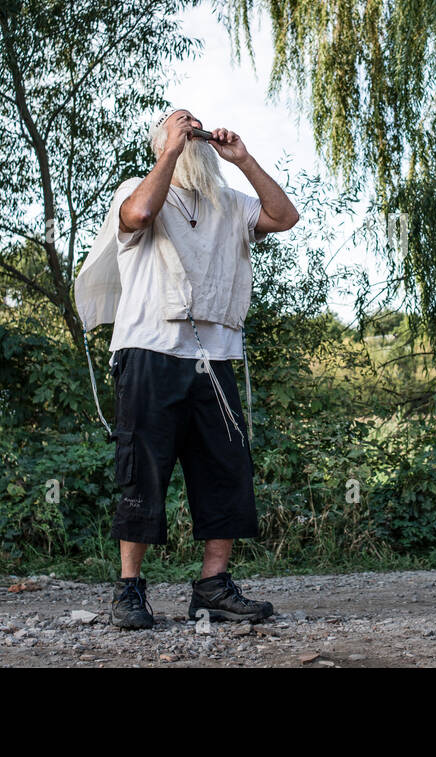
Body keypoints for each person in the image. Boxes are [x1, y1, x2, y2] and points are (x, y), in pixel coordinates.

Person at [78, 109, 299, 629]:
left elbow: (284, 217)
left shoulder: (228, 204)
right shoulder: (139, 187)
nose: (192, 131)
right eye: (180, 127)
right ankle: (129, 590)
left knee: (226, 469)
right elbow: (137, 217)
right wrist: (171, 152)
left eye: (194, 128)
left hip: (215, 356)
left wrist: (242, 159)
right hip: (150, 350)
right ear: (163, 143)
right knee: (143, 470)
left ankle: (212, 587)